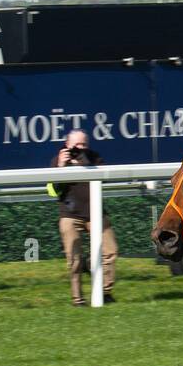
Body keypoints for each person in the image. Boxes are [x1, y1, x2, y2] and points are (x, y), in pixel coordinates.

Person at [51, 129, 119, 306]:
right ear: (67, 145)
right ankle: (78, 298)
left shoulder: (94, 157)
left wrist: (86, 164)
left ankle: (105, 292)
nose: (80, 148)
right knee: (74, 258)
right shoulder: (58, 160)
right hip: (70, 215)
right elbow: (52, 191)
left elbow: (104, 178)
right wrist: (60, 167)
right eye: (77, 145)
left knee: (110, 250)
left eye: (84, 145)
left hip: (96, 212)